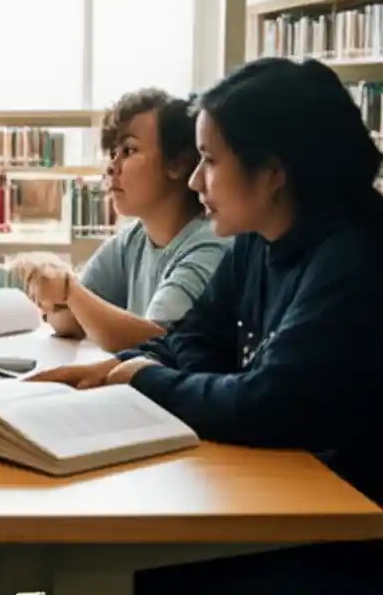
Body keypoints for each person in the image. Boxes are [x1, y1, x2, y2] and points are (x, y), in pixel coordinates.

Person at [32, 58, 383, 593]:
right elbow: (191, 340)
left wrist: (144, 379)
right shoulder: (257, 239)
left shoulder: (353, 258)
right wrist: (132, 370)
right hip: (279, 498)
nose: (196, 181)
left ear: (274, 172)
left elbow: (268, 403)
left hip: (341, 535)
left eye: (211, 161)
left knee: (125, 565)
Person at [11, 88, 230, 353]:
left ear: (178, 163)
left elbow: (158, 343)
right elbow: (72, 319)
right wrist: (55, 294)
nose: (112, 167)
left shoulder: (211, 244)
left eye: (128, 150)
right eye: (112, 153)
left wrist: (68, 290)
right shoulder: (133, 239)